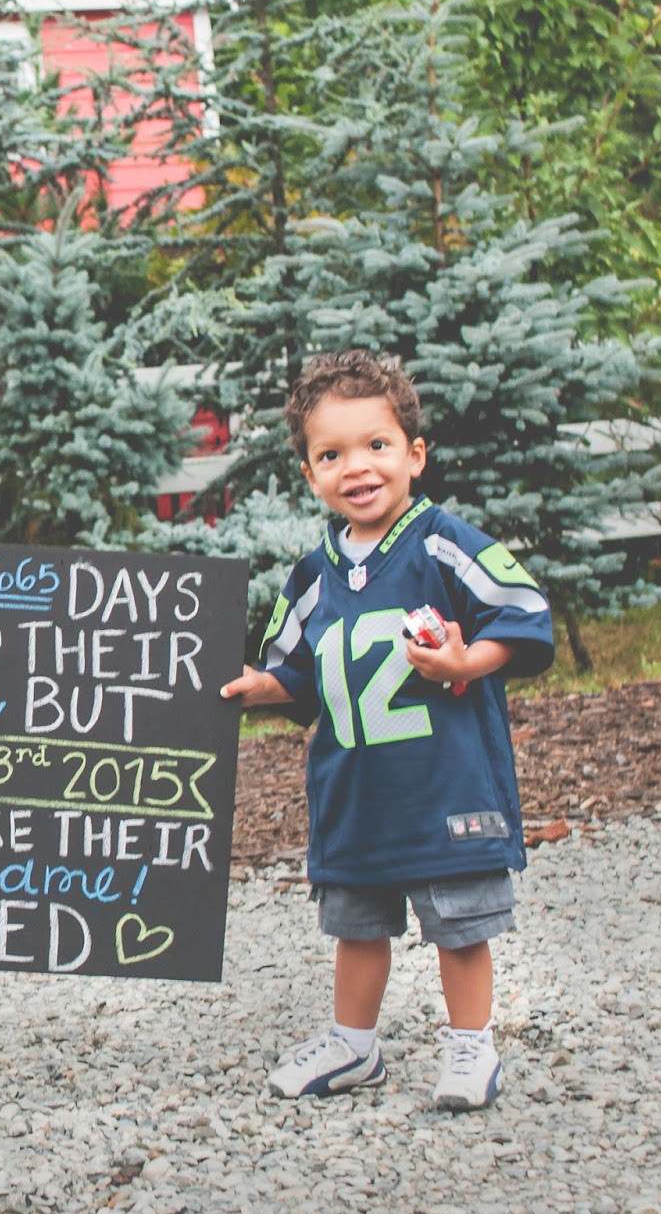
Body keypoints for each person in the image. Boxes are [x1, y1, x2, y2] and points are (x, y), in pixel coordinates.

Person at [220, 349, 553, 1110]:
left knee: (461, 923)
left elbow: (525, 613)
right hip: (357, 794)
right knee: (356, 925)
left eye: (376, 445)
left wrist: (471, 656)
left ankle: (470, 1045)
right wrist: (259, 688)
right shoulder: (314, 574)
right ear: (309, 473)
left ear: (414, 454)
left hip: (445, 784)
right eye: (331, 454)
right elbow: (297, 670)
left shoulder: (442, 543)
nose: (357, 468)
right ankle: (353, 1044)